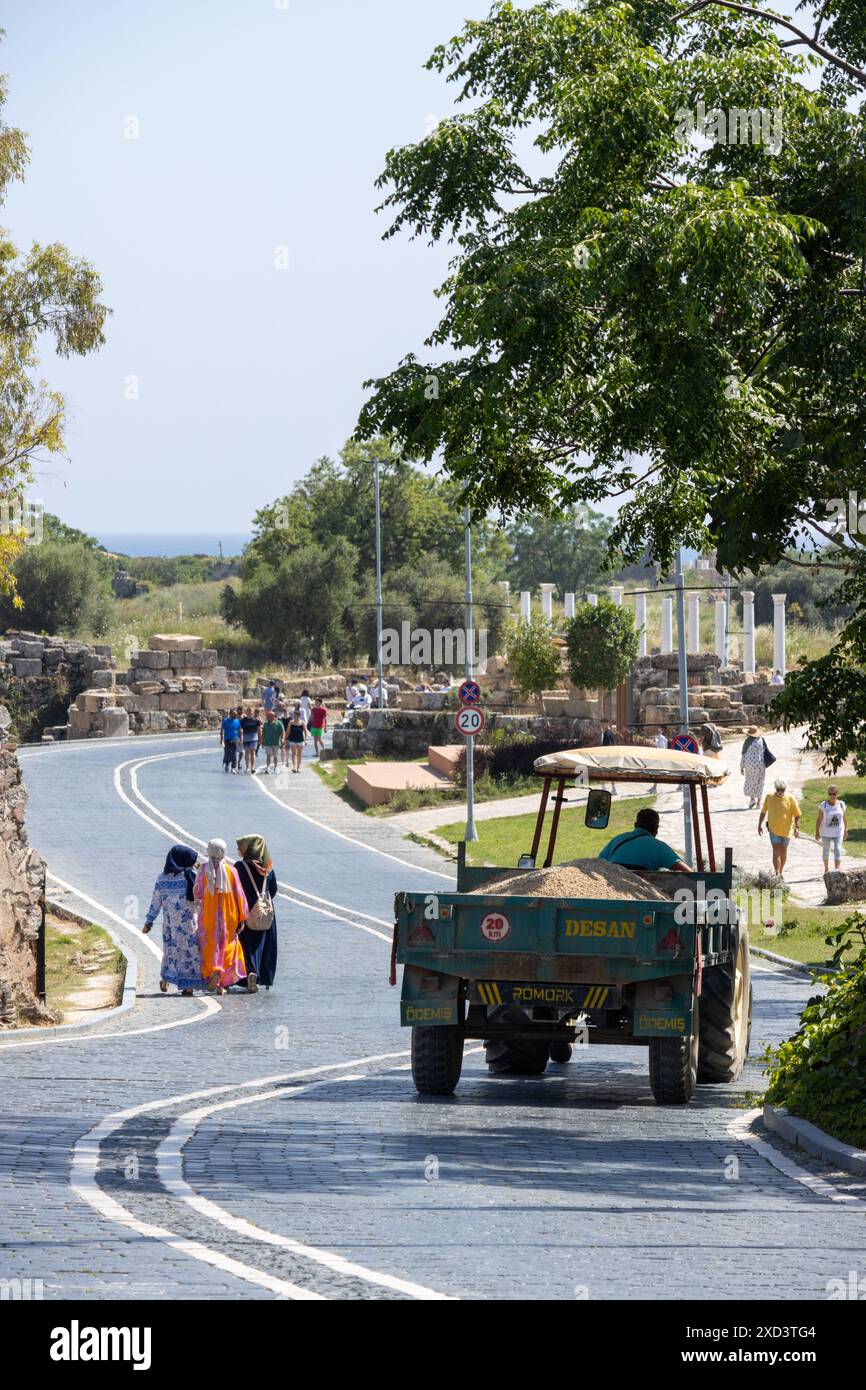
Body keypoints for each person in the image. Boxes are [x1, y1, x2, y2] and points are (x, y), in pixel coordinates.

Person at [143, 844, 202, 995]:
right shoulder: (191, 875)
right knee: (191, 953)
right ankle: (189, 986)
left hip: (170, 926)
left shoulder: (162, 878)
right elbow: (201, 895)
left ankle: (165, 980)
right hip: (190, 924)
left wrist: (149, 921)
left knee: (170, 952)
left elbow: (156, 901)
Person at [194, 839, 248, 994]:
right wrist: (243, 916)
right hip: (228, 916)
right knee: (228, 944)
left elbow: (197, 892)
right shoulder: (232, 871)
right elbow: (239, 894)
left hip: (208, 916)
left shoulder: (203, 870)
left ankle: (213, 972)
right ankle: (223, 982)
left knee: (210, 945)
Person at [234, 834, 278, 992]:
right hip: (265, 912)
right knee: (264, 945)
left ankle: (249, 972)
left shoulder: (240, 867)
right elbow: (273, 890)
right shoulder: (268, 868)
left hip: (245, 910)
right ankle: (263, 976)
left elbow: (234, 888)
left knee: (246, 944)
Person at [599, 808, 691, 873]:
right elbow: (689, 873)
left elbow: (597, 863)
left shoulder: (617, 840)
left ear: (635, 825)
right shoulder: (658, 846)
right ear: (656, 829)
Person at [758, 778, 801, 881]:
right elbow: (763, 812)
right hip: (773, 830)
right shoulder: (769, 797)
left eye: (782, 790)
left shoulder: (790, 798)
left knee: (784, 852)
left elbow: (797, 814)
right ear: (775, 788)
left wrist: (797, 828)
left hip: (787, 830)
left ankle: (781, 871)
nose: (780, 792)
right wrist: (759, 824)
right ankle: (777, 873)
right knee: (776, 850)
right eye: (778, 789)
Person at [815, 784, 848, 872]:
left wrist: (846, 830)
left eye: (834, 794)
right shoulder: (824, 805)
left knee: (837, 849)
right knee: (826, 850)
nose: (832, 796)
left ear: (837, 794)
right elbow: (819, 819)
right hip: (826, 832)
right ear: (828, 794)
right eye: (830, 794)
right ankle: (826, 869)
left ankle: (837, 870)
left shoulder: (841, 804)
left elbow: (844, 818)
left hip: (838, 832)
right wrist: (817, 832)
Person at [740, 724, 769, 808]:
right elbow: (764, 752)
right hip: (760, 764)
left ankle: (752, 799)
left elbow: (744, 755)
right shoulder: (761, 740)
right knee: (760, 781)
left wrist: (742, 766)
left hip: (749, 765)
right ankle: (759, 803)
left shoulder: (747, 742)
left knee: (750, 781)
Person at [285, 702, 307, 772]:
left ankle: (298, 767)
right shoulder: (291, 722)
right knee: (294, 753)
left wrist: (305, 739)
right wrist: (284, 739)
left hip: (300, 740)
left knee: (299, 754)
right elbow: (288, 731)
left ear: (299, 716)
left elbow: (305, 732)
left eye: (296, 716)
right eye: (294, 716)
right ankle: (294, 767)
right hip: (293, 740)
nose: (295, 717)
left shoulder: (302, 723)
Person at [239, 706, 262, 774]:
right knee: (246, 753)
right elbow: (240, 730)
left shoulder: (256, 721)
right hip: (245, 739)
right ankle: (247, 767)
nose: (249, 712)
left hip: (254, 738)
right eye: (248, 711)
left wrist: (260, 739)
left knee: (253, 752)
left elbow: (259, 730)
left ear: (252, 712)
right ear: (246, 712)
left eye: (251, 711)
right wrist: (240, 739)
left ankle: (252, 767)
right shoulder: (242, 721)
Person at [260, 709, 284, 774]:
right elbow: (263, 733)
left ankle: (276, 767)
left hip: (276, 743)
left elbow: (282, 732)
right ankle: (268, 767)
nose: (267, 717)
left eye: (269, 716)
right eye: (267, 716)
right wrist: (262, 742)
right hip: (268, 743)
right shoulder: (265, 724)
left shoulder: (279, 723)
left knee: (275, 756)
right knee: (268, 755)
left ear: (273, 716)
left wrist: (282, 739)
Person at [220, 707, 241, 773]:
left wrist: (240, 739)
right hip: (227, 739)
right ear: (230, 714)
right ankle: (226, 764)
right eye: (234, 714)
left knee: (234, 754)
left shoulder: (237, 721)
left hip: (235, 740)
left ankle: (233, 768)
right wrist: (221, 739)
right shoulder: (225, 721)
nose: (235, 715)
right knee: (227, 753)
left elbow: (240, 730)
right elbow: (222, 730)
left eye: (236, 714)